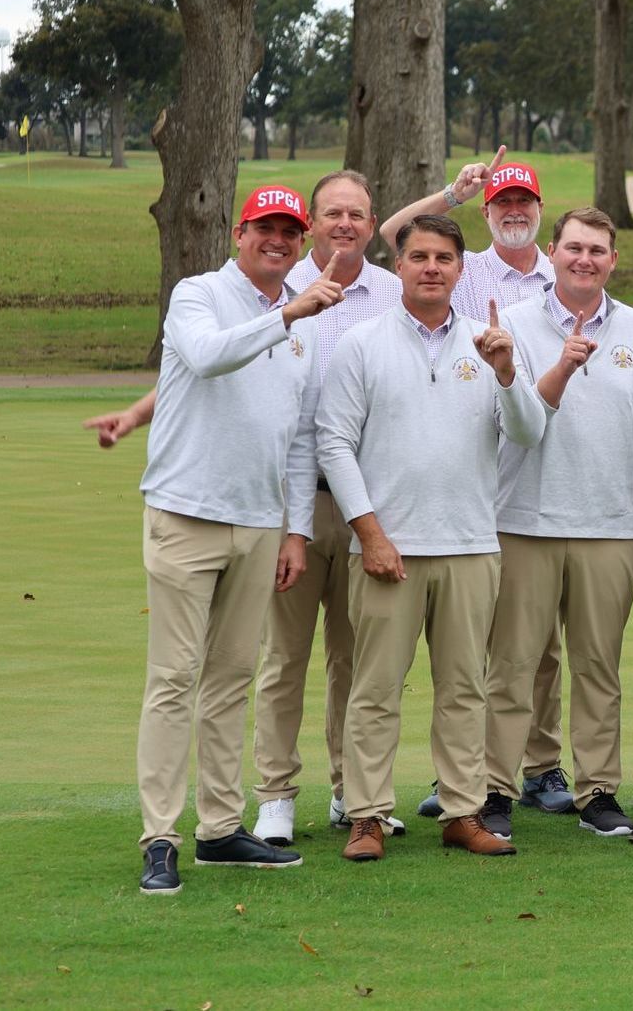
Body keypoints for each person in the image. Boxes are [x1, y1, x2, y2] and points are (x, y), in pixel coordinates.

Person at [316, 214, 550, 862]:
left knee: (463, 688)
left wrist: (506, 372)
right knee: (375, 688)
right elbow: (333, 441)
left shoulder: (491, 341)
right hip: (387, 548)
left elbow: (529, 432)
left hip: (471, 544)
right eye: (418, 256)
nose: (431, 267)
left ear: (459, 267)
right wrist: (370, 531)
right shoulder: (362, 344)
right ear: (400, 266)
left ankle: (462, 810)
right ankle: (367, 814)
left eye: (444, 257)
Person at [132, 184, 341, 894]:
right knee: (173, 678)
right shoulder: (198, 294)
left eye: (290, 230)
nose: (277, 240)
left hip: (257, 524)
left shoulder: (295, 321)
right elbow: (207, 356)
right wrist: (288, 314)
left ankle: (220, 828)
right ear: (240, 232)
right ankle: (160, 836)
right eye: (265, 228)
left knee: (229, 680)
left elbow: (291, 436)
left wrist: (293, 529)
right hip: (187, 511)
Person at [380, 149, 574, 815]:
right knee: (469, 651)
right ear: (488, 212)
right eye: (501, 203)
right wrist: (451, 195)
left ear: (538, 210)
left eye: (523, 202)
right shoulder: (462, 269)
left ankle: (542, 764)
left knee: (535, 642)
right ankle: (459, 776)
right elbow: (392, 237)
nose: (513, 211)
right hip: (468, 485)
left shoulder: (565, 273)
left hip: (539, 480)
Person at [480, 207, 633, 841]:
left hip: (609, 526)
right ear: (552, 253)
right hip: (523, 520)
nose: (585, 260)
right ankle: (497, 790)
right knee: (513, 665)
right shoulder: (515, 327)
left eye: (598, 251)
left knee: (597, 666)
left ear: (613, 261)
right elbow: (515, 423)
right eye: (574, 248)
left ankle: (597, 792)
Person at [248, 171, 407, 846]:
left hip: (367, 505)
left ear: (373, 226)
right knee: (285, 658)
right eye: (333, 213)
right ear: (312, 223)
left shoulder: (395, 293)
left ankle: (353, 790)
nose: (345, 223)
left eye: (358, 214)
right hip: (291, 501)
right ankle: (276, 795)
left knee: (356, 658)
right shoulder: (275, 293)